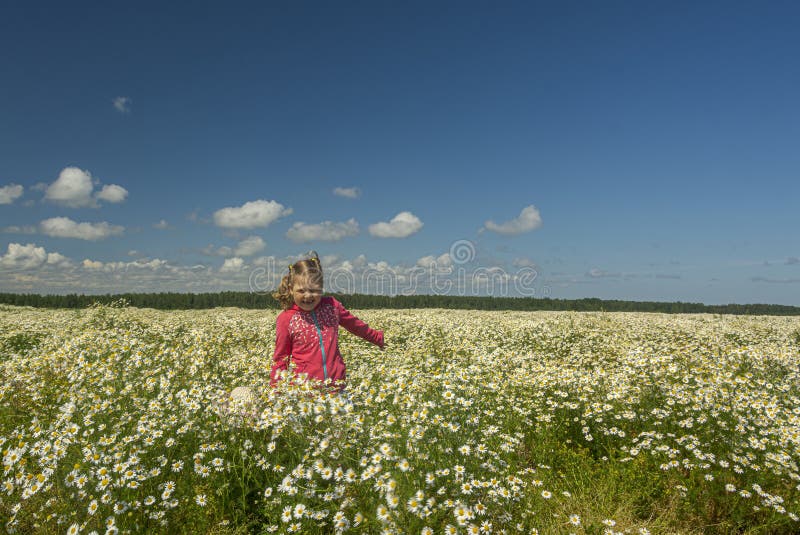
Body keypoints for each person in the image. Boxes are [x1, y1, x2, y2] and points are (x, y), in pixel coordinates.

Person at [270, 252, 384, 391]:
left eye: (314, 290)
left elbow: (355, 325)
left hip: (336, 386)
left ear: (321, 288)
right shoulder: (286, 318)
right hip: (304, 391)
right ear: (291, 290)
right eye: (301, 290)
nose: (308, 295)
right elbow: (281, 358)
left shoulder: (332, 306)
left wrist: (378, 337)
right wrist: (277, 391)